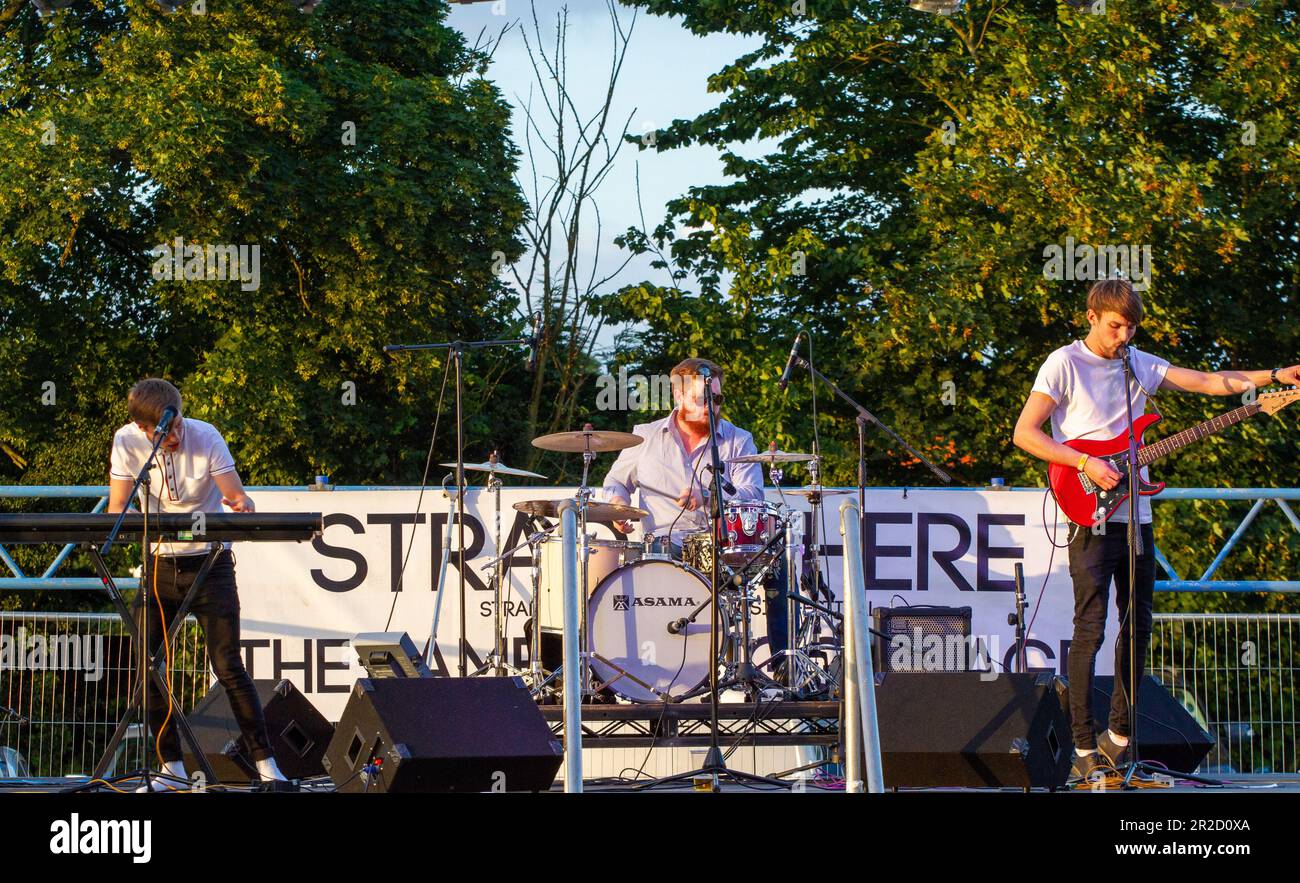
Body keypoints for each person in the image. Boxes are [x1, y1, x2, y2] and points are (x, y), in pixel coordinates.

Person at [1013, 279, 1300, 783]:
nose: (1123, 335)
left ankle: (1119, 739)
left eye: (1130, 327)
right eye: (1114, 325)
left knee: (1139, 623)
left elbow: (1212, 382)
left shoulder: (1137, 363)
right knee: (1090, 626)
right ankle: (1082, 744)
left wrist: (1273, 374)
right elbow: (1025, 433)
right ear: (1091, 317)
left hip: (1136, 515)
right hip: (1089, 510)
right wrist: (1085, 461)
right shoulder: (1063, 363)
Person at [107, 378, 287, 790]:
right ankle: (170, 768)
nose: (174, 436)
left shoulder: (206, 436)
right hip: (158, 567)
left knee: (227, 665)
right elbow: (117, 508)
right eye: (164, 432)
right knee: (149, 668)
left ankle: (267, 765)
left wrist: (243, 506)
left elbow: (237, 497)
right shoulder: (125, 442)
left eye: (177, 425)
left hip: (210, 564)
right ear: (141, 428)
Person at [602, 358, 790, 677]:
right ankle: (610, 671)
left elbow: (753, 493)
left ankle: (783, 665)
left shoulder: (737, 439)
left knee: (776, 558)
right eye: (702, 400)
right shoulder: (644, 437)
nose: (711, 407)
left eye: (717, 399)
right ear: (678, 397)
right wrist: (618, 503)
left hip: (714, 546)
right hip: (663, 548)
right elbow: (615, 481)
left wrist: (710, 497)